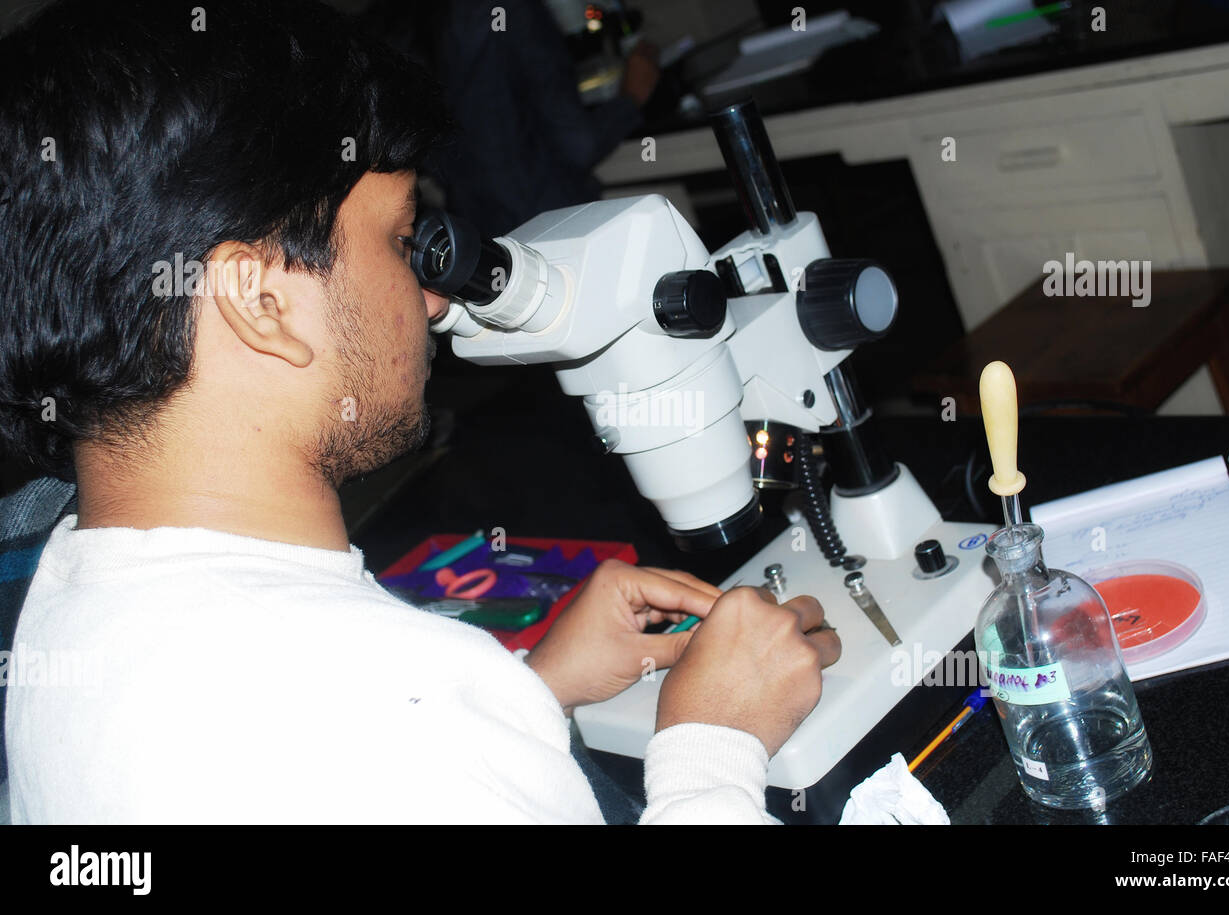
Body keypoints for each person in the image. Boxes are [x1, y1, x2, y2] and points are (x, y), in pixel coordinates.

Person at [0, 0, 840, 824]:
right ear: (262, 302)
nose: (435, 300)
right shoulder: (381, 728)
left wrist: (520, 693)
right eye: (402, 240)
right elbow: (385, 757)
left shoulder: (63, 582)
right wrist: (714, 750)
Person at [362, 0, 660, 237]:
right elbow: (578, 143)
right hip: (559, 222)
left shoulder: (386, 27)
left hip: (475, 232)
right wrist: (632, 96)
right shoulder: (510, 9)